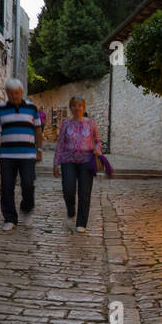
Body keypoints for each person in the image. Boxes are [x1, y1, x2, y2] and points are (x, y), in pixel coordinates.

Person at [0, 83, 43, 230]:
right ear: (7, 93)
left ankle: (27, 209)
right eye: (11, 93)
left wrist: (39, 149)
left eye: (17, 93)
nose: (14, 96)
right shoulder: (0, 109)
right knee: (7, 186)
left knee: (28, 184)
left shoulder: (32, 108)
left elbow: (38, 130)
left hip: (28, 154)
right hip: (7, 154)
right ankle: (10, 218)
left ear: (22, 92)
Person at [58, 97, 103, 229]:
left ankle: (81, 223)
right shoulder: (65, 124)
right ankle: (71, 209)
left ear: (84, 108)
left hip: (86, 161)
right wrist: (56, 163)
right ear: (70, 107)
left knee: (85, 192)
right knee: (68, 189)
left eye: (80, 106)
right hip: (68, 161)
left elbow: (98, 141)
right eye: (74, 106)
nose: (77, 108)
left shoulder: (91, 124)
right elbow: (60, 144)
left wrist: (97, 149)